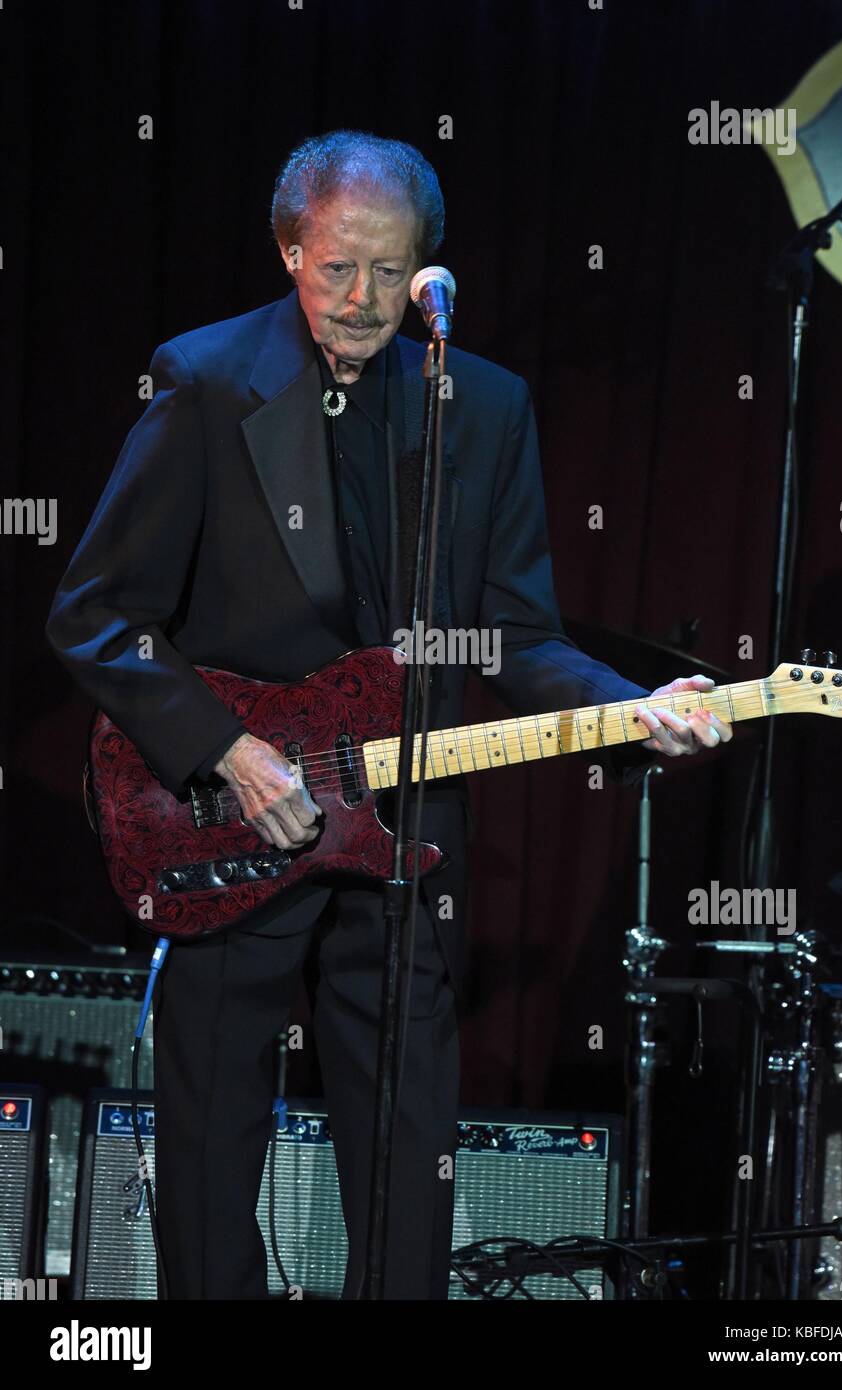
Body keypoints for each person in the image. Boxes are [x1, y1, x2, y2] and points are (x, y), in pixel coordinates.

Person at [45, 130, 732, 1300]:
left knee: (409, 1155)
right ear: (288, 249)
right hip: (227, 817)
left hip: (407, 836)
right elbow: (97, 615)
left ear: (428, 273)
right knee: (211, 1154)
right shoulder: (206, 382)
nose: (360, 301)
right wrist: (226, 748)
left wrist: (631, 709)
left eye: (387, 273)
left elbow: (515, 637)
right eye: (334, 272)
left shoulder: (483, 406)